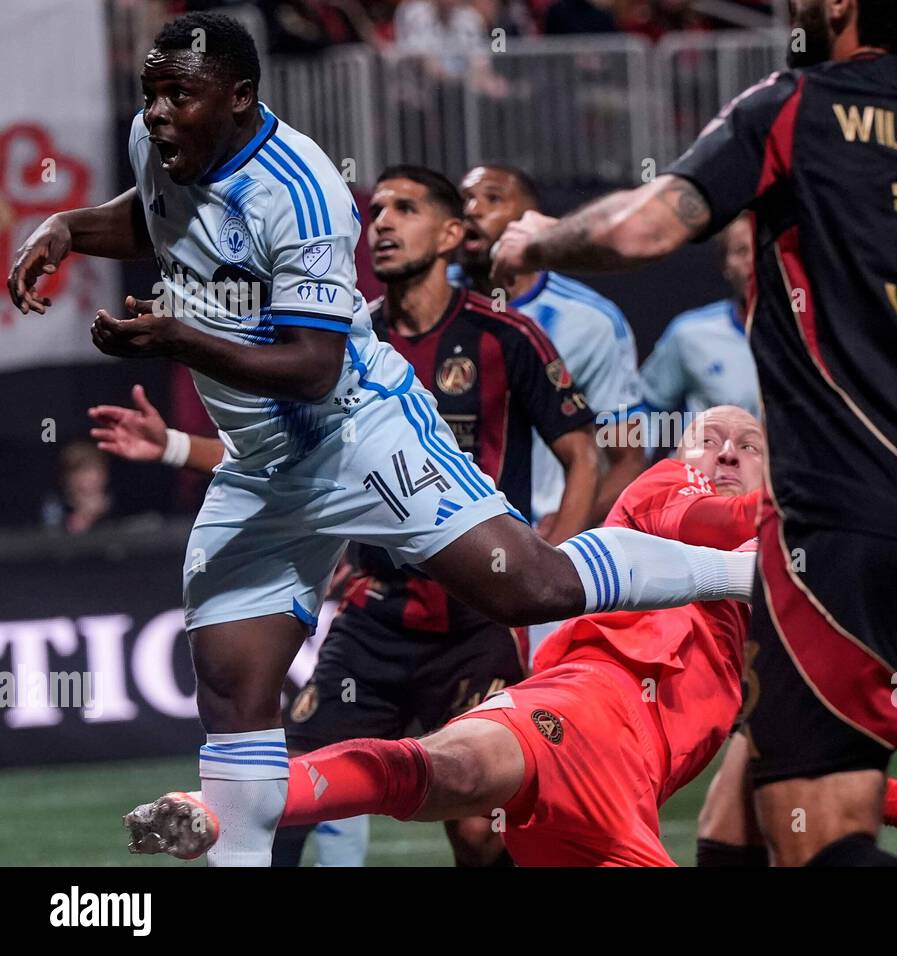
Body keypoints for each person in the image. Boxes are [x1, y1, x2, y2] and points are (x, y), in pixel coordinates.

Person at [8, 11, 752, 866]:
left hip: (358, 437)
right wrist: (69, 228)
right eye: (152, 95)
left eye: (182, 95)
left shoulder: (302, 189)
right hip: (263, 467)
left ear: (242, 97)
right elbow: (155, 216)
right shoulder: (160, 138)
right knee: (233, 687)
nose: (160, 113)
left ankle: (748, 575)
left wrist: (178, 338)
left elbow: (315, 367)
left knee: (529, 586)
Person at [490, 0, 897, 865]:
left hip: (842, 528)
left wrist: (545, 235)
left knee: (819, 836)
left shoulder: (794, 108)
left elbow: (641, 227)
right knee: (749, 810)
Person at [125, 406, 897, 865]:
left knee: (457, 790)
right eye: (713, 440)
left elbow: (795, 764)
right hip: (576, 715)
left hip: (621, 807)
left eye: (750, 443)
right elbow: (739, 519)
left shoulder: (769, 630)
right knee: (450, 768)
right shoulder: (670, 496)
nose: (727, 451)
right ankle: (234, 804)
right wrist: (859, 495)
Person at [89, 164, 601, 867]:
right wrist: (174, 444)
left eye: (407, 208)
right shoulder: (333, 335)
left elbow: (585, 456)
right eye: (379, 207)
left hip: (476, 624)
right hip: (374, 618)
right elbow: (271, 459)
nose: (383, 222)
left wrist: (545, 570)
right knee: (279, 793)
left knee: (482, 829)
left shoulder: (502, 337)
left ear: (452, 235)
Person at [460, 163, 645, 528]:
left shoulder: (591, 321)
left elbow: (628, 460)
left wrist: (564, 528)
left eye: (492, 199)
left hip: (537, 536)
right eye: (463, 200)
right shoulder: (434, 306)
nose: (472, 210)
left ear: (529, 221)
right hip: (434, 544)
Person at [639, 214, 760, 420]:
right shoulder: (690, 335)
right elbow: (645, 411)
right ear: (725, 266)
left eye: (760, 249)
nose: (752, 261)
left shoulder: (812, 338)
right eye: (741, 251)